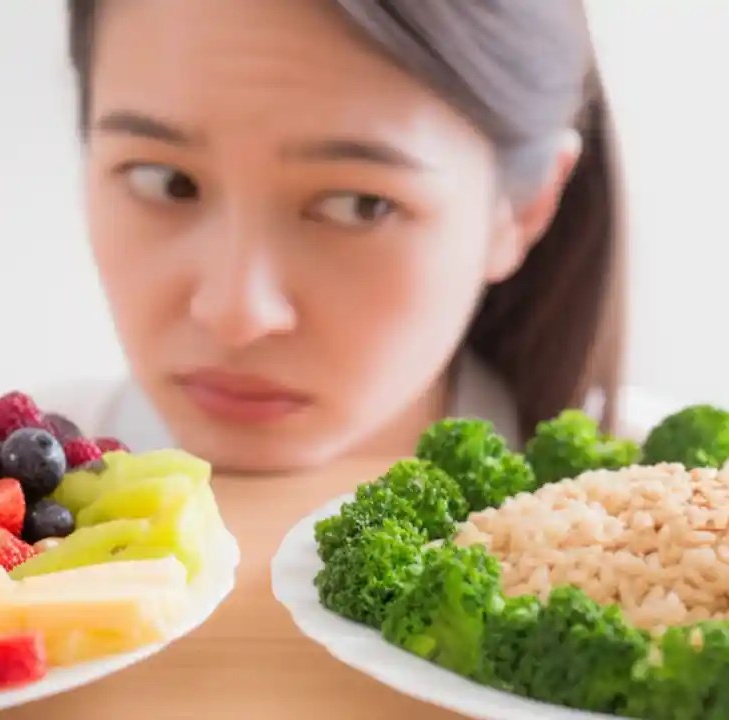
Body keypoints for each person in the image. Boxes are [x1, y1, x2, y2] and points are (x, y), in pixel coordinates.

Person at [43, 0, 654, 474]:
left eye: (360, 206)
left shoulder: (691, 526)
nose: (235, 313)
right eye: (168, 182)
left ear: (523, 210)